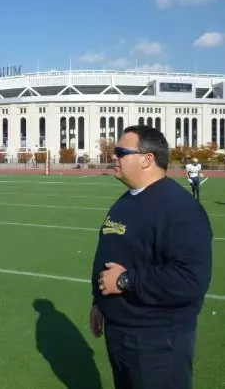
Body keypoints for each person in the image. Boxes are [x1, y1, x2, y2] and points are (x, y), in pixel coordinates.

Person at [90, 125, 212, 389]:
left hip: (157, 341)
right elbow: (115, 251)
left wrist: (124, 281)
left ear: (147, 159)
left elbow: (190, 279)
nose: (114, 157)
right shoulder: (126, 200)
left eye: (121, 152)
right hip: (121, 332)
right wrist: (99, 302)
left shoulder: (180, 208)